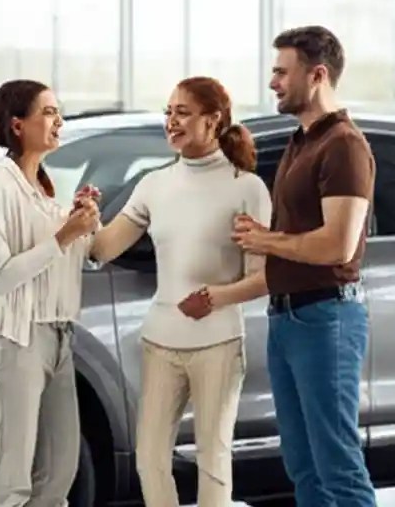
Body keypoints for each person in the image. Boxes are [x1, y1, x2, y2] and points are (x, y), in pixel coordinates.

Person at [86, 77, 272, 507]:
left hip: (218, 345)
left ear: (213, 120)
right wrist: (87, 218)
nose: (171, 121)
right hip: (160, 342)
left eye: (183, 113)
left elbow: (263, 277)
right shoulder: (154, 184)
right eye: (168, 112)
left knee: (212, 459)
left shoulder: (247, 188)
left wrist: (214, 298)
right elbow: (104, 247)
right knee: (149, 459)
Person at [231, 26, 377, 506]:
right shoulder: (301, 141)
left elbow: (338, 245)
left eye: (281, 72)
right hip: (288, 318)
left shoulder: (344, 145)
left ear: (317, 74)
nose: (273, 82)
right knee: (303, 466)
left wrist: (265, 238)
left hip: (326, 319)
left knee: (337, 466)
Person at [0, 79, 101, 507]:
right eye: (48, 112)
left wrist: (83, 223)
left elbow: (77, 256)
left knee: (59, 472)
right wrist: (64, 235)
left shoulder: (44, 191)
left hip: (58, 338)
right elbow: (2, 277)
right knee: (9, 482)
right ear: (17, 124)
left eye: (58, 112)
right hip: (13, 343)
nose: (58, 120)